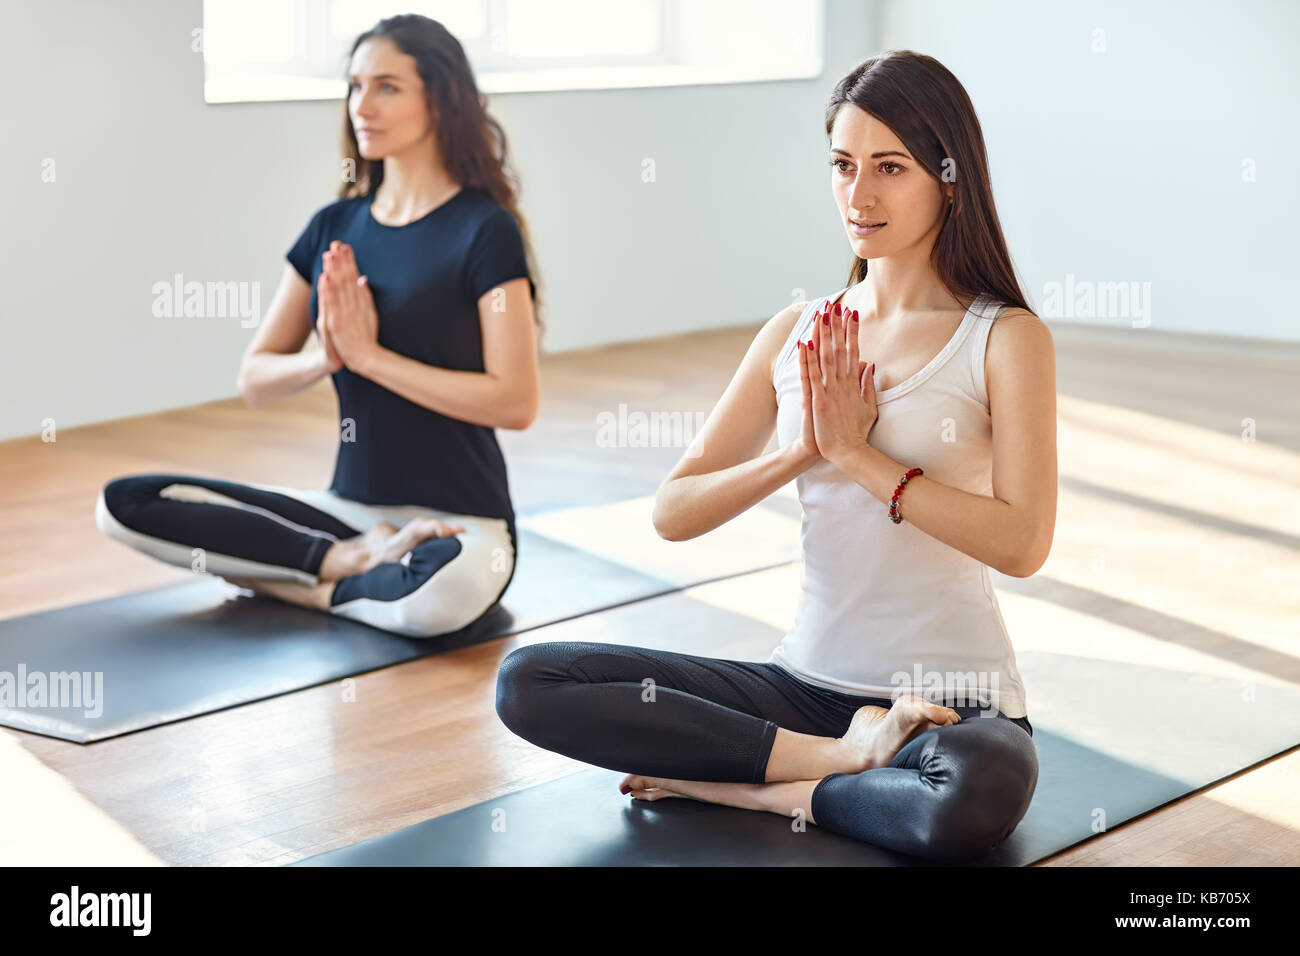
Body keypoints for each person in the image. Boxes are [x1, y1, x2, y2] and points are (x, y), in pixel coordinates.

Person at [495, 50, 1057, 861]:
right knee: (531, 681)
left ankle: (748, 786)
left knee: (975, 796)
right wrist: (800, 452)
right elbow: (674, 511)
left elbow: (1024, 543)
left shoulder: (1003, 338)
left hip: (954, 703)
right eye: (842, 164)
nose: (859, 196)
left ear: (948, 176)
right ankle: (839, 763)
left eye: (889, 168)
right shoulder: (796, 331)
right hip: (802, 689)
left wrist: (859, 457)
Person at [96, 15, 541, 638]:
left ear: (440, 100)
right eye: (355, 86)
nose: (363, 105)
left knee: (440, 596)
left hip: (462, 522)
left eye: (387, 86)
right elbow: (255, 378)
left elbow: (516, 401)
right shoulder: (333, 226)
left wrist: (370, 356)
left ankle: (298, 582)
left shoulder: (484, 231)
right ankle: (343, 563)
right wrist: (326, 357)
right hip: (347, 514)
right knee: (124, 503)